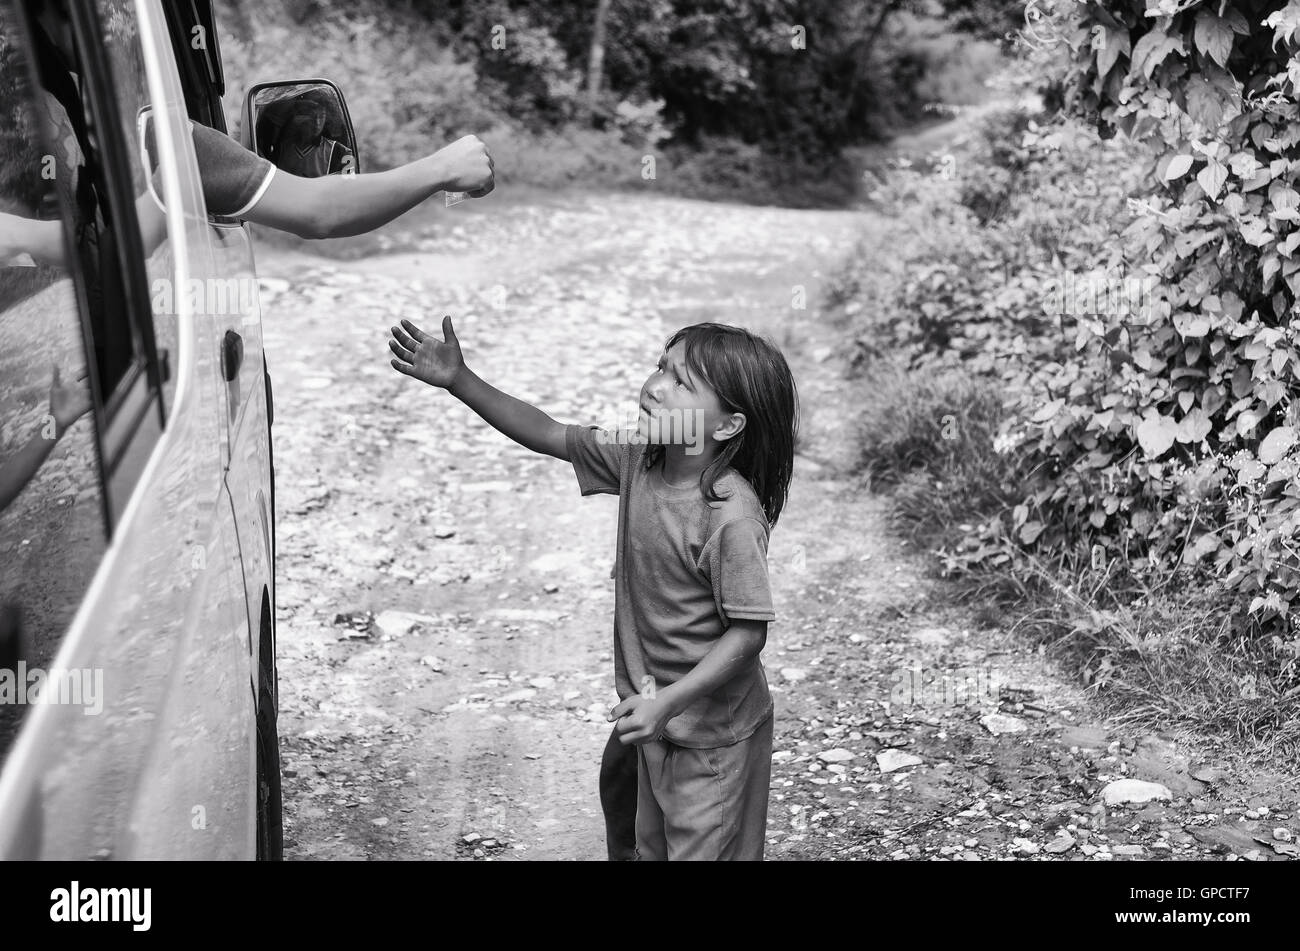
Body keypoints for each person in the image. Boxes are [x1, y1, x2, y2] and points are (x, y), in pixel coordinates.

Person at [387, 315, 798, 861]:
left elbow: (748, 635)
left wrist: (669, 702)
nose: (654, 386)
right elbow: (548, 432)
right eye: (660, 368)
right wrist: (461, 380)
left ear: (726, 426)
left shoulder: (730, 516)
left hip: (711, 735)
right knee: (650, 847)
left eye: (681, 383)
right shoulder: (639, 457)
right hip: (653, 718)